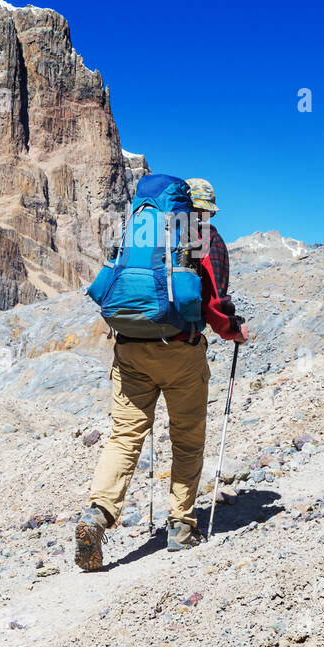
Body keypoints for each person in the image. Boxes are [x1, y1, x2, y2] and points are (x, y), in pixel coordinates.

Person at [75, 177, 248, 571]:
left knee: (124, 435)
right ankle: (181, 527)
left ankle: (98, 514)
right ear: (202, 208)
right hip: (180, 350)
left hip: (129, 347)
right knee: (187, 439)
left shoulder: (139, 229)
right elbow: (216, 303)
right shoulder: (204, 237)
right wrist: (233, 331)